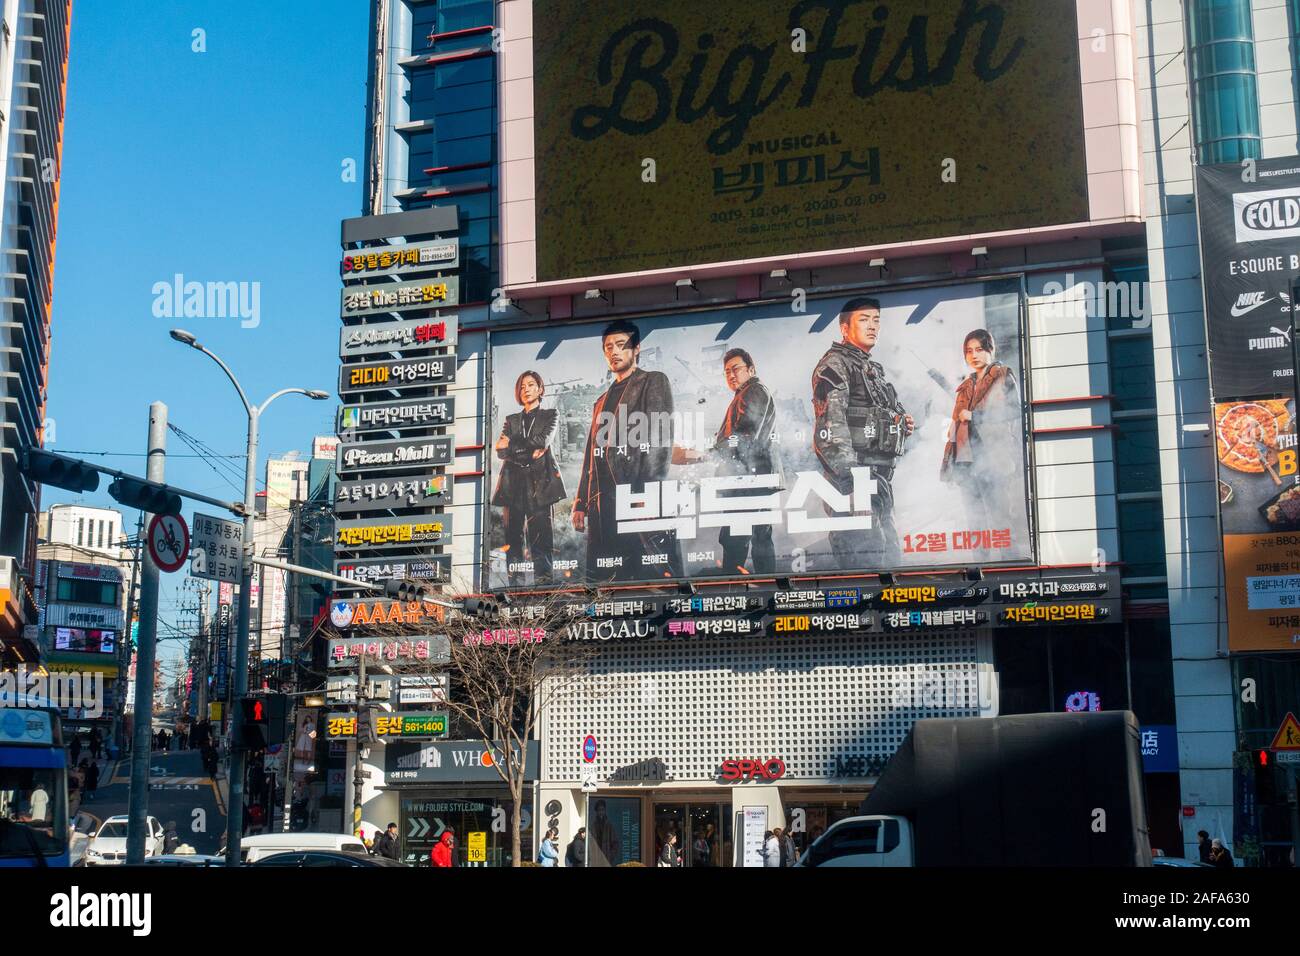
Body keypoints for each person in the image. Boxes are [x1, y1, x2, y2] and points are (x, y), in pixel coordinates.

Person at [573, 320, 682, 582]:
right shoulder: (600, 401)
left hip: (636, 496)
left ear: (636, 349)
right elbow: (591, 454)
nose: (614, 352)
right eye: (608, 347)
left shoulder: (652, 381)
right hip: (602, 504)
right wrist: (580, 503)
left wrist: (648, 492)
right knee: (605, 582)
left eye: (621, 345)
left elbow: (659, 439)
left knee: (650, 577)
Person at [812, 297, 913, 567]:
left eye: (876, 320)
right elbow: (830, 427)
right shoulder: (835, 364)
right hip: (855, 480)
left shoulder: (871, 368)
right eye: (864, 319)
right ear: (845, 328)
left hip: (877, 481)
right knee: (865, 566)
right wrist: (850, 480)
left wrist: (902, 423)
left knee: (888, 562)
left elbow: (883, 413)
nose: (873, 326)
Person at [678, 347, 778, 574]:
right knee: (756, 537)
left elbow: (744, 435)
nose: (731, 375)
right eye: (726, 372)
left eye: (736, 369)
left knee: (739, 537)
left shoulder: (753, 391)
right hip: (752, 477)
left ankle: (737, 586)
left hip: (750, 479)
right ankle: (762, 587)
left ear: (751, 370)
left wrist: (705, 453)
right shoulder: (747, 393)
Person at [939, 328, 1022, 533]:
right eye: (968, 351)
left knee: (1001, 520)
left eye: (978, 349)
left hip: (993, 460)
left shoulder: (1003, 375)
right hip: (965, 464)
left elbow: (1015, 411)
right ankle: (979, 564)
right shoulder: (965, 386)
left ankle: (1006, 565)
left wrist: (975, 416)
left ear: (990, 350)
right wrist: (949, 464)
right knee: (975, 524)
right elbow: (954, 427)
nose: (973, 355)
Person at [493, 370, 567, 586]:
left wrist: (513, 445)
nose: (526, 390)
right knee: (512, 541)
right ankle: (514, 588)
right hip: (512, 485)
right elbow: (500, 451)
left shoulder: (550, 415)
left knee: (541, 541)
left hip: (540, 486)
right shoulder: (511, 419)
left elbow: (543, 440)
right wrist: (527, 448)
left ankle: (544, 588)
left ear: (540, 389)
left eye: (531, 385)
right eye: (522, 386)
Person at [589, 799, 620, 865]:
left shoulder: (609, 825)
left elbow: (615, 843)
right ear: (596, 811)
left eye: (602, 810)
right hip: (596, 858)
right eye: (599, 810)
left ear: (605, 811)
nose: (601, 812)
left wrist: (610, 856)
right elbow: (590, 843)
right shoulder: (593, 826)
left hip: (606, 858)